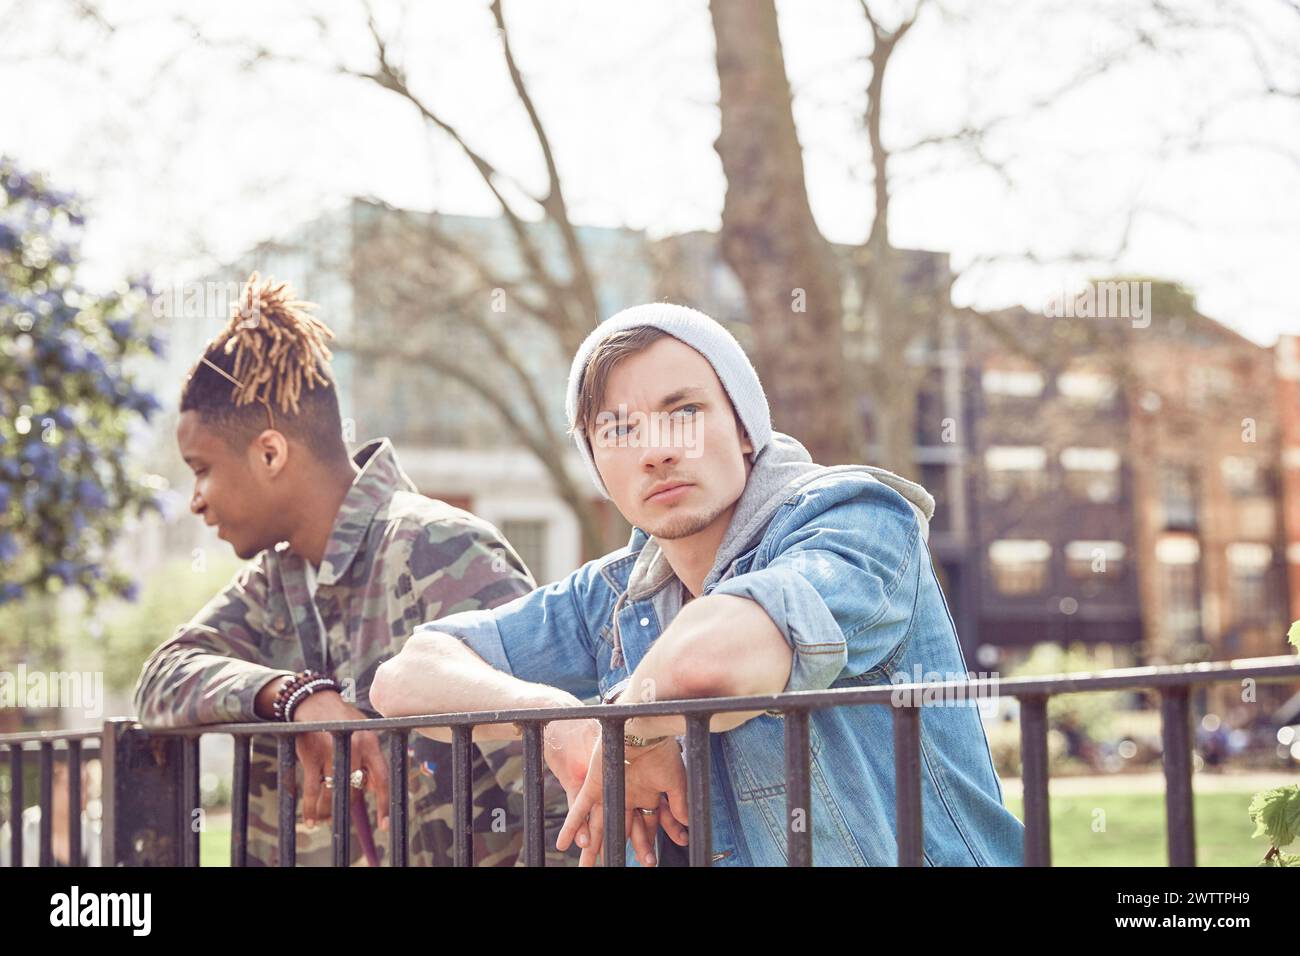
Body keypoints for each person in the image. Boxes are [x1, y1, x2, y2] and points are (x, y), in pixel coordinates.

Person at [372, 302, 1026, 866]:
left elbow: (710, 660)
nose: (654, 451)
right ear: (598, 465)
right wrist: (566, 727)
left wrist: (637, 728)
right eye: (619, 430)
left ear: (745, 428)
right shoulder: (613, 593)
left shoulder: (854, 519)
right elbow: (404, 677)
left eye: (682, 413)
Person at [133, 273, 571, 866]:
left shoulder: (437, 550)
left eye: (202, 468)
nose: (196, 499)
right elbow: (162, 679)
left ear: (270, 452)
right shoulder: (274, 583)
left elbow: (565, 791)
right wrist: (295, 697)